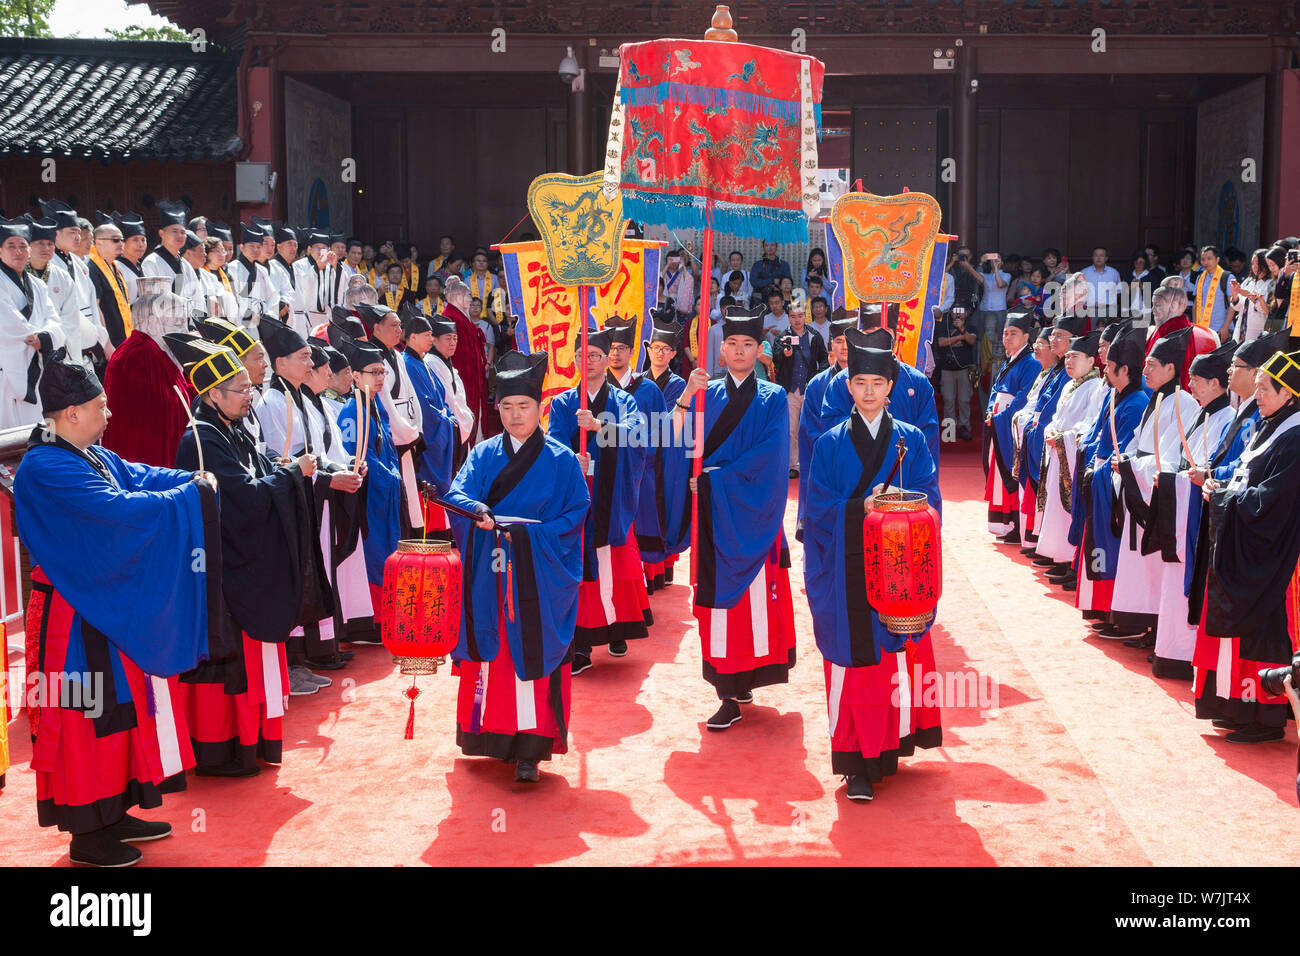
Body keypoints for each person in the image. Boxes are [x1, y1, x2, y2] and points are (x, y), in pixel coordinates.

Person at [15, 355, 218, 866]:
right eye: (101, 406)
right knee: (84, 719)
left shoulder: (90, 456)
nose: (109, 414)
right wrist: (187, 496)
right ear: (72, 412)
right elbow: (115, 512)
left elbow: (140, 478)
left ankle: (116, 809)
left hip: (100, 606)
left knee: (121, 713)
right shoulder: (44, 467)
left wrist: (189, 479)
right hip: (67, 621)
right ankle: (87, 830)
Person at [168, 335, 317, 773]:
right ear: (213, 394)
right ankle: (225, 749)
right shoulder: (202, 439)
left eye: (250, 388)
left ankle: (252, 742)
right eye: (240, 390)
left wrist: (294, 470)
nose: (249, 396)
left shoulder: (230, 429)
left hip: (244, 561)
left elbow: (262, 470)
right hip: (223, 568)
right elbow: (245, 498)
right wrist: (293, 473)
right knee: (229, 660)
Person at [804, 336, 942, 802]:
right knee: (853, 664)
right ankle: (854, 761)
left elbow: (930, 499)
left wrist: (898, 510)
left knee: (891, 659)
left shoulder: (912, 439)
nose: (867, 391)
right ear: (847, 385)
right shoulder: (827, 445)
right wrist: (858, 508)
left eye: (877, 383)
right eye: (858, 381)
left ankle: (890, 745)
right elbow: (815, 510)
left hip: (895, 570)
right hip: (845, 572)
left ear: (891, 387)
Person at [446, 350, 588, 782]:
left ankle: (531, 749)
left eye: (522, 406)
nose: (514, 415)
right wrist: (480, 512)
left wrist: (529, 536)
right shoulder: (484, 453)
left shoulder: (562, 460)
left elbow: (575, 514)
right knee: (494, 651)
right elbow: (458, 495)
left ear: (539, 408)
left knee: (528, 650)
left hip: (536, 575)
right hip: (489, 574)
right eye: (506, 407)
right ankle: (488, 736)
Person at [672, 306, 796, 729]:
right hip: (713, 516)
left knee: (753, 604)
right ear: (720, 350)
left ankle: (746, 679)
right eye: (732, 344)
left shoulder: (773, 397)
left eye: (748, 344)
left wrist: (715, 481)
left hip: (752, 512)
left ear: (759, 349)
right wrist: (687, 395)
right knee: (720, 608)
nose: (740, 351)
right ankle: (727, 690)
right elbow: (673, 437)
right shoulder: (706, 393)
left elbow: (770, 458)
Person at [1193, 345, 1300, 743]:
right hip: (1249, 545)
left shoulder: (1295, 439)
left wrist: (1223, 497)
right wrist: (1223, 488)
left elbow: (1274, 501)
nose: (1256, 396)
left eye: (1265, 389)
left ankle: (1265, 717)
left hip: (1275, 556)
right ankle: (1235, 707)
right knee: (1243, 630)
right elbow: (1247, 481)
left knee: (1265, 631)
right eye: (1256, 387)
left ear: (1288, 393)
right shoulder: (1269, 425)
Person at [548, 327, 649, 672]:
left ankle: (617, 626)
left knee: (615, 560)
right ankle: (582, 643)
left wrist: (598, 428)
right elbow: (554, 443)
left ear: (607, 360)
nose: (587, 361)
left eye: (594, 355)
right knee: (582, 562)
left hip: (612, 490)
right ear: (573, 360)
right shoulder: (563, 403)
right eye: (581, 355)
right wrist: (567, 459)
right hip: (577, 494)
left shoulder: (624, 401)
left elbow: (638, 437)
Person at [251, 316, 346, 679]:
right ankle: (291, 661)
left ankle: (304, 657)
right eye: (304, 357)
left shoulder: (298, 398)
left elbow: (315, 450)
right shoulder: (274, 401)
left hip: (308, 492)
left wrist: (336, 470)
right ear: (281, 364)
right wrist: (322, 476)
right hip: (289, 496)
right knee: (295, 574)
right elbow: (281, 457)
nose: (311, 363)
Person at [1106, 328, 1202, 647]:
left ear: (1172, 369)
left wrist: (1133, 467)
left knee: (1155, 565)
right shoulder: (1157, 398)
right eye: (1144, 364)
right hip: (1140, 481)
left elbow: (1171, 455)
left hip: (1157, 489)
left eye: (1151, 365)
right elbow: (1138, 441)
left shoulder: (1183, 404)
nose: (1144, 370)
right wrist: (1126, 460)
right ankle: (1139, 621)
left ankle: (1155, 627)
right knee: (1140, 564)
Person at [1075, 327, 1151, 633]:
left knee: (1112, 548)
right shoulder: (1116, 396)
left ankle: (1117, 615)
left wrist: (1100, 469)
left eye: (1110, 366)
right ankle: (1102, 609)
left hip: (1115, 487)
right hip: (1102, 479)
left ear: (1125, 370)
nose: (1104, 368)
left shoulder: (1136, 403)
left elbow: (1128, 454)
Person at [820, 315, 941, 472]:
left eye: (882, 332)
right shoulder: (841, 381)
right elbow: (829, 427)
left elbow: (928, 436)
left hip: (902, 469)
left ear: (894, 338)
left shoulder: (917, 382)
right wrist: (865, 416)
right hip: (853, 471)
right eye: (870, 332)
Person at [1032, 329, 1107, 583]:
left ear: (1090, 361)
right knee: (1056, 507)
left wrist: (1064, 437)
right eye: (1068, 357)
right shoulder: (1069, 385)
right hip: (1059, 452)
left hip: (1072, 454)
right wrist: (1051, 430)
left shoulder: (1095, 387)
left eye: (1075, 357)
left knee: (1069, 510)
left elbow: (1089, 423)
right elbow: (1056, 417)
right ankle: (1060, 557)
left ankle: (1072, 562)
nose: (1069, 362)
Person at [100, 288, 191, 466]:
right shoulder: (135, 357)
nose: (185, 330)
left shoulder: (160, 352)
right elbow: (145, 426)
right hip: (146, 463)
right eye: (178, 323)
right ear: (152, 323)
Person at [356, 302, 425, 537]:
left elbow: (411, 394)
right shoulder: (374, 360)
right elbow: (383, 403)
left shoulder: (396, 354)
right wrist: (407, 433)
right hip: (392, 433)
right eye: (393, 325)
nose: (399, 330)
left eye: (400, 325)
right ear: (376, 328)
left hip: (407, 428)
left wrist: (417, 428)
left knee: (409, 492)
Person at [796, 313, 856, 540]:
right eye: (838, 341)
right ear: (831, 346)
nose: (844, 347)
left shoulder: (869, 381)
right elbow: (809, 432)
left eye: (848, 341)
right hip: (827, 464)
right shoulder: (817, 384)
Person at [638, 319, 689, 589]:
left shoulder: (678, 384)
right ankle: (645, 570)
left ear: (672, 354)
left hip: (668, 454)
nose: (659, 353)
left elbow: (671, 421)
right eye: (655, 347)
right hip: (641, 452)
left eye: (665, 349)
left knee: (664, 507)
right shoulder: (637, 382)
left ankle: (661, 569)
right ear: (648, 350)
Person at [400, 307, 458, 534]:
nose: (431, 339)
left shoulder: (422, 362)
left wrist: (448, 417)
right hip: (429, 437)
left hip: (440, 426)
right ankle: (434, 532)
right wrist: (446, 422)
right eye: (427, 336)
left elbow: (441, 397)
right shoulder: (408, 363)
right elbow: (424, 407)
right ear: (412, 337)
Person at [983, 309, 1040, 540]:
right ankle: (1004, 522)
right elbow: (995, 390)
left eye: (1013, 333)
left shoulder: (1031, 362)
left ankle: (1015, 523)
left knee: (1010, 472)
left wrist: (1000, 417)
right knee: (999, 472)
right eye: (1005, 333)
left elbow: (1024, 397)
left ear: (1027, 337)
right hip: (999, 420)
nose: (1007, 338)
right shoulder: (1011, 360)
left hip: (1010, 424)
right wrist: (990, 411)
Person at [28, 216, 95, 373]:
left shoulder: (62, 276)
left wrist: (75, 360)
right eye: (39, 244)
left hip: (56, 347)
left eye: (50, 244)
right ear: (29, 247)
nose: (46, 248)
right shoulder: (18, 274)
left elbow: (70, 319)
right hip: (23, 347)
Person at [771, 297, 829, 478]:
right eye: (793, 316)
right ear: (788, 317)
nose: (797, 319)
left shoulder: (814, 336)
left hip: (809, 388)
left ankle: (813, 462)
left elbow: (824, 359)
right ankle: (794, 465)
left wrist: (817, 379)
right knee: (791, 429)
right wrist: (784, 354)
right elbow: (775, 360)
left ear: (806, 316)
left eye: (800, 315)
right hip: (790, 388)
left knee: (811, 426)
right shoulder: (782, 336)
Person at [425, 313, 474, 470]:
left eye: (455, 338)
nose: (453, 342)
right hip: (446, 428)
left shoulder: (445, 362)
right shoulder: (431, 362)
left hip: (460, 425)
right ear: (434, 339)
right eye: (448, 338)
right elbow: (447, 401)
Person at [443, 276, 488, 443]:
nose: (470, 300)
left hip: (472, 373)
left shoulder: (461, 315)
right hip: (463, 374)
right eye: (468, 296)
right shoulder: (452, 316)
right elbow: (459, 353)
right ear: (459, 296)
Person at [933, 303, 977, 441]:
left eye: (961, 311)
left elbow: (971, 340)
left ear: (966, 313)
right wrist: (958, 337)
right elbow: (941, 342)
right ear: (950, 313)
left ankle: (964, 425)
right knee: (948, 400)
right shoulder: (943, 325)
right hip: (946, 368)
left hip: (964, 369)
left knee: (964, 400)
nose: (958, 314)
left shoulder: (970, 326)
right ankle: (949, 429)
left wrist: (962, 329)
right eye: (954, 311)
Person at [141, 200, 198, 297]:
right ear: (161, 233)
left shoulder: (186, 266)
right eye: (174, 231)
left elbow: (198, 300)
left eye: (183, 232)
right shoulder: (151, 263)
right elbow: (152, 301)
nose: (179, 235)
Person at [227, 221, 277, 320]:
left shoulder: (262, 270)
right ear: (242, 247)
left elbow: (272, 296)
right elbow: (234, 297)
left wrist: (270, 315)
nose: (255, 250)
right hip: (240, 319)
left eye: (258, 247)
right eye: (251, 246)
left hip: (260, 319)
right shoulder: (233, 268)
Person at [1194, 245, 1233, 340]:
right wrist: (1194, 325)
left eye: (1209, 258)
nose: (1205, 262)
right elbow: (1196, 304)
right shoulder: (1200, 278)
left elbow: (1233, 305)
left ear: (1217, 259)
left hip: (1219, 329)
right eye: (1203, 259)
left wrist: (1225, 327)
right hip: (1202, 329)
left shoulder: (1227, 277)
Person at [112, 212, 148, 302]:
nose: (141, 245)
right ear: (123, 243)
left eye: (143, 240)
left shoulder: (141, 267)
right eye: (135, 240)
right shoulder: (117, 268)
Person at [267, 224, 299, 320]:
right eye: (289, 244)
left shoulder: (294, 267)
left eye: (295, 245)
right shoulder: (273, 266)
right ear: (279, 247)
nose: (293, 248)